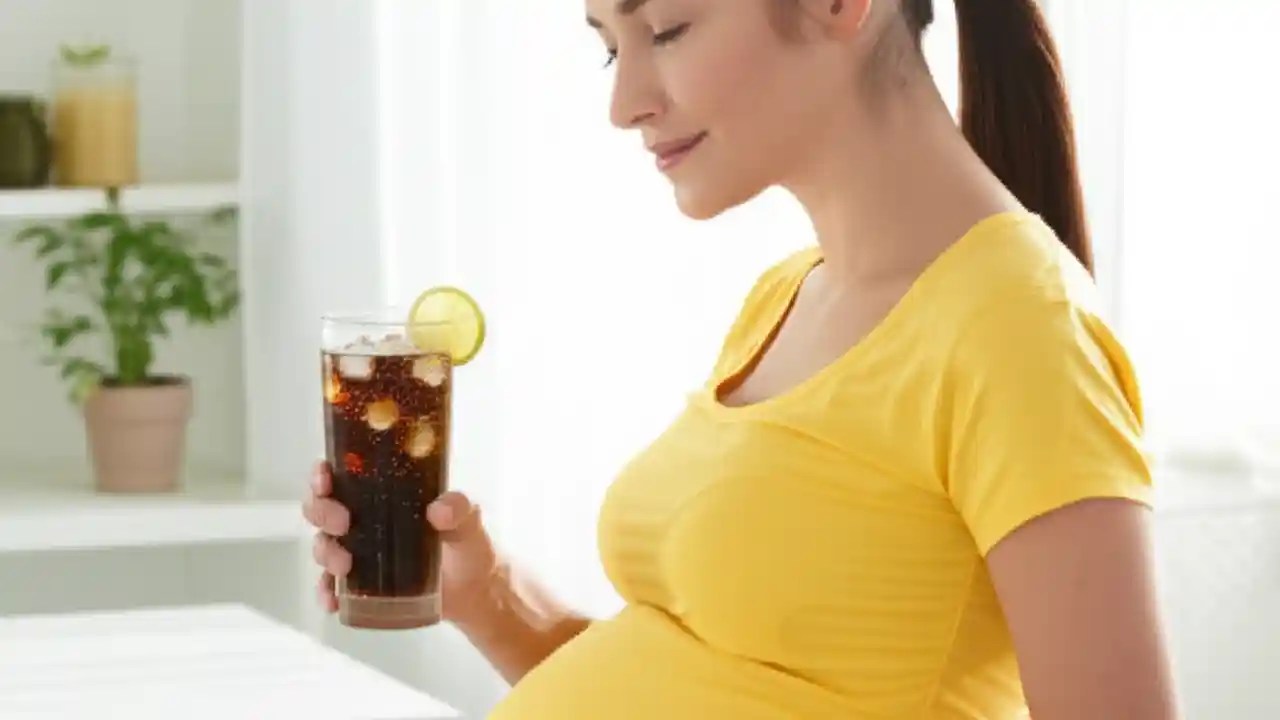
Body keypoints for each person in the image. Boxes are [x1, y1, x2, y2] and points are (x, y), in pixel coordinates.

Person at [303, 0, 1181, 717]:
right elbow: (703, 686)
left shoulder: (1018, 329)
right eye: (612, 50)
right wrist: (487, 593)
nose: (625, 104)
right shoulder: (791, 296)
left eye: (668, 31)